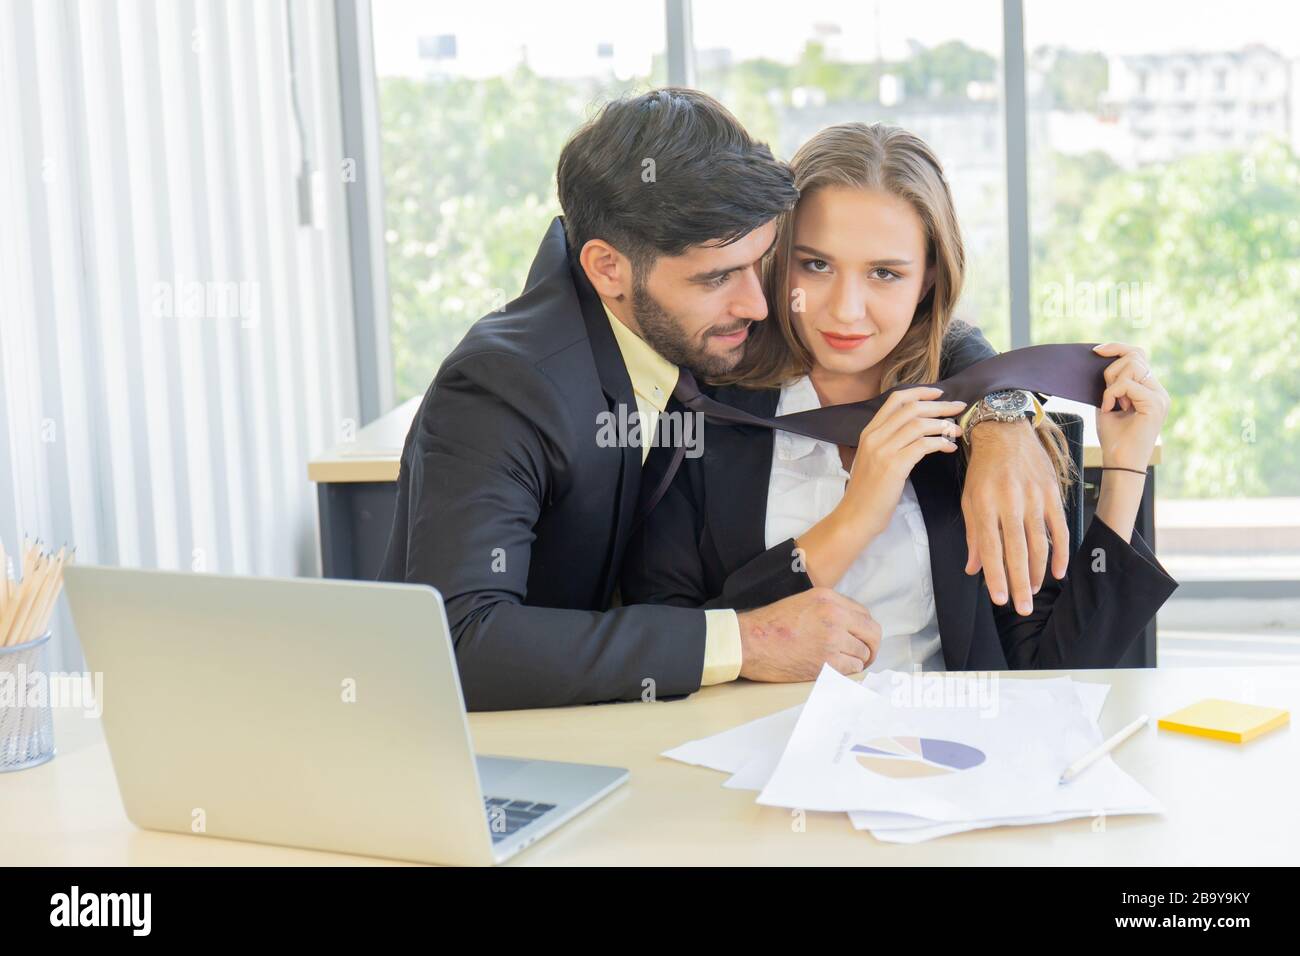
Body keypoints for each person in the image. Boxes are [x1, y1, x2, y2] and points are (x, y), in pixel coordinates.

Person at [379, 90, 1073, 710]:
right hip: (514, 748)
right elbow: (459, 643)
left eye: (760, 263)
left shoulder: (697, 325)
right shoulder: (506, 387)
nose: (758, 301)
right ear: (607, 268)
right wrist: (744, 640)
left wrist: (1001, 413)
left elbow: (909, 320)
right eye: (718, 277)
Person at [622, 122, 1178, 675]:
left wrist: (1126, 467)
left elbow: (1055, 670)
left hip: (942, 748)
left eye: (885, 274)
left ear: (929, 278)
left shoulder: (988, 424)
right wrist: (858, 515)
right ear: (777, 256)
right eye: (815, 265)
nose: (845, 309)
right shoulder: (705, 410)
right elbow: (669, 641)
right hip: (759, 749)